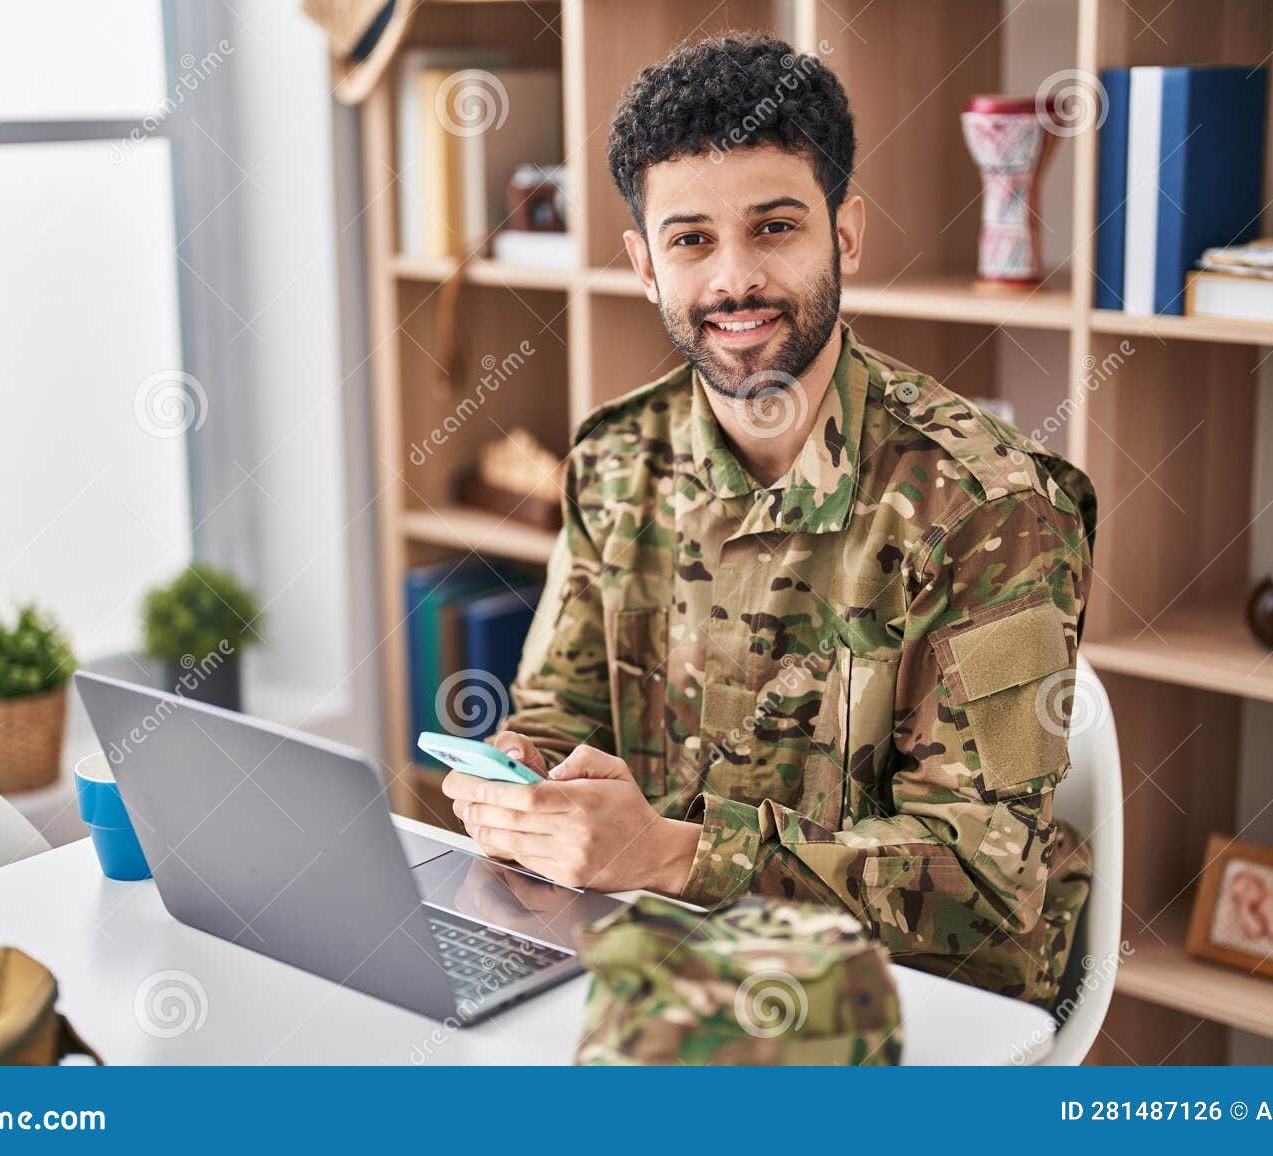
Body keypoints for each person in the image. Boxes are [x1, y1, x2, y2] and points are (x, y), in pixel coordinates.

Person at [440, 32, 1097, 1006]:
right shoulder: (616, 461)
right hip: (659, 966)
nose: (733, 278)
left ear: (846, 234)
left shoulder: (989, 505)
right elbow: (555, 714)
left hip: (907, 1010)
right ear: (645, 266)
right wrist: (524, 785)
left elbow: (984, 888)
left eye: (775, 227)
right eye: (691, 239)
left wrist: (673, 853)